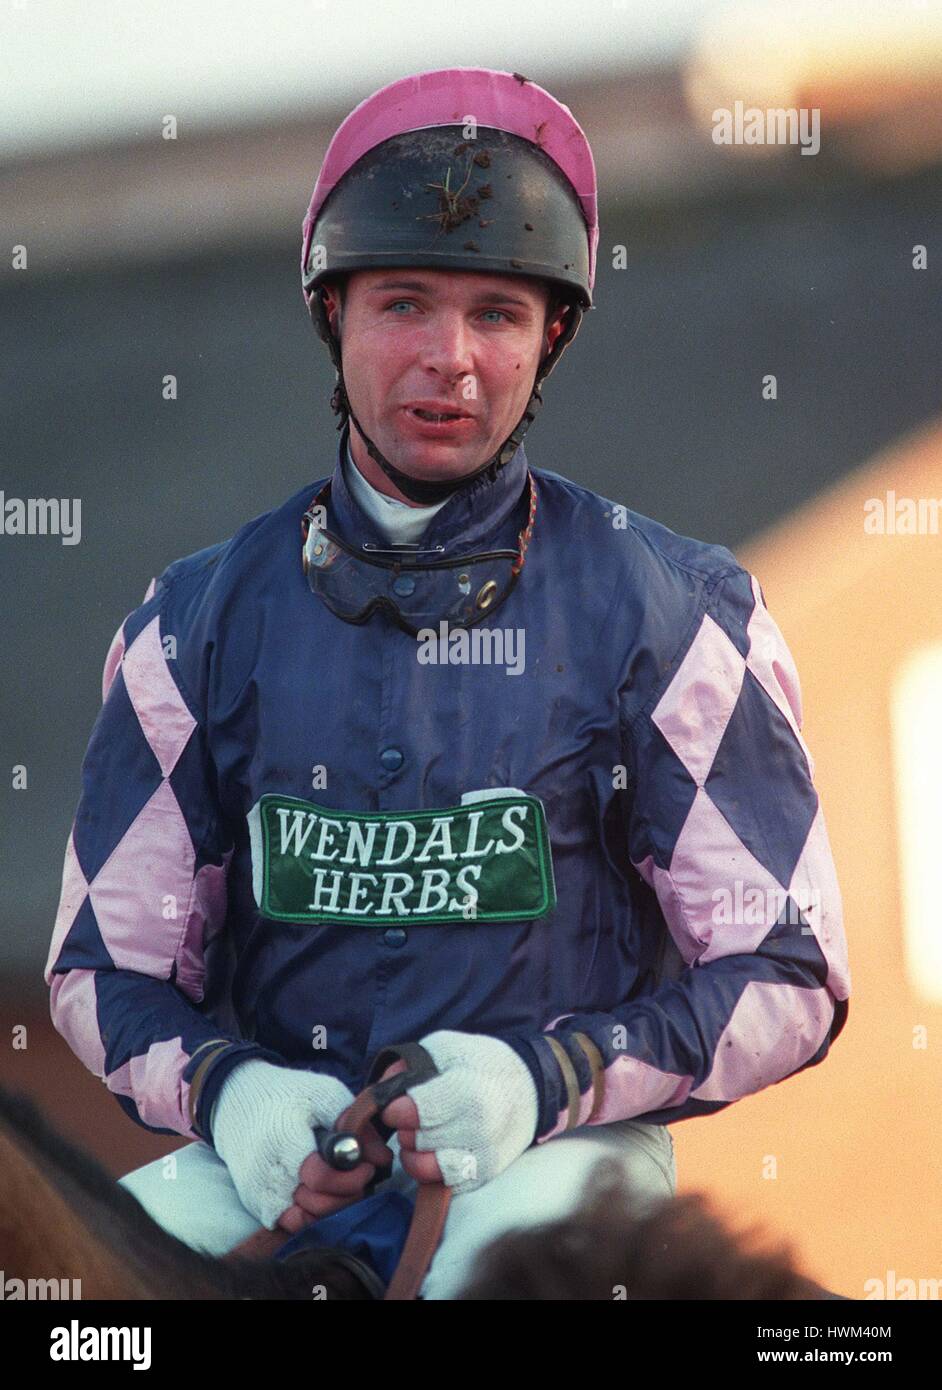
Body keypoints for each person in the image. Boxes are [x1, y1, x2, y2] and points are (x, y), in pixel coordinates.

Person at [44, 67, 851, 1300]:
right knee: (57, 1292)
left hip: (554, 1161)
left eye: (498, 314)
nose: (451, 359)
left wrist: (550, 1075)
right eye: (405, 303)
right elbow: (106, 965)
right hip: (261, 1168)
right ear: (333, 314)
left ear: (551, 338)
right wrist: (234, 1093)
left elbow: (789, 968)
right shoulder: (188, 624)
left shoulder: (678, 613)